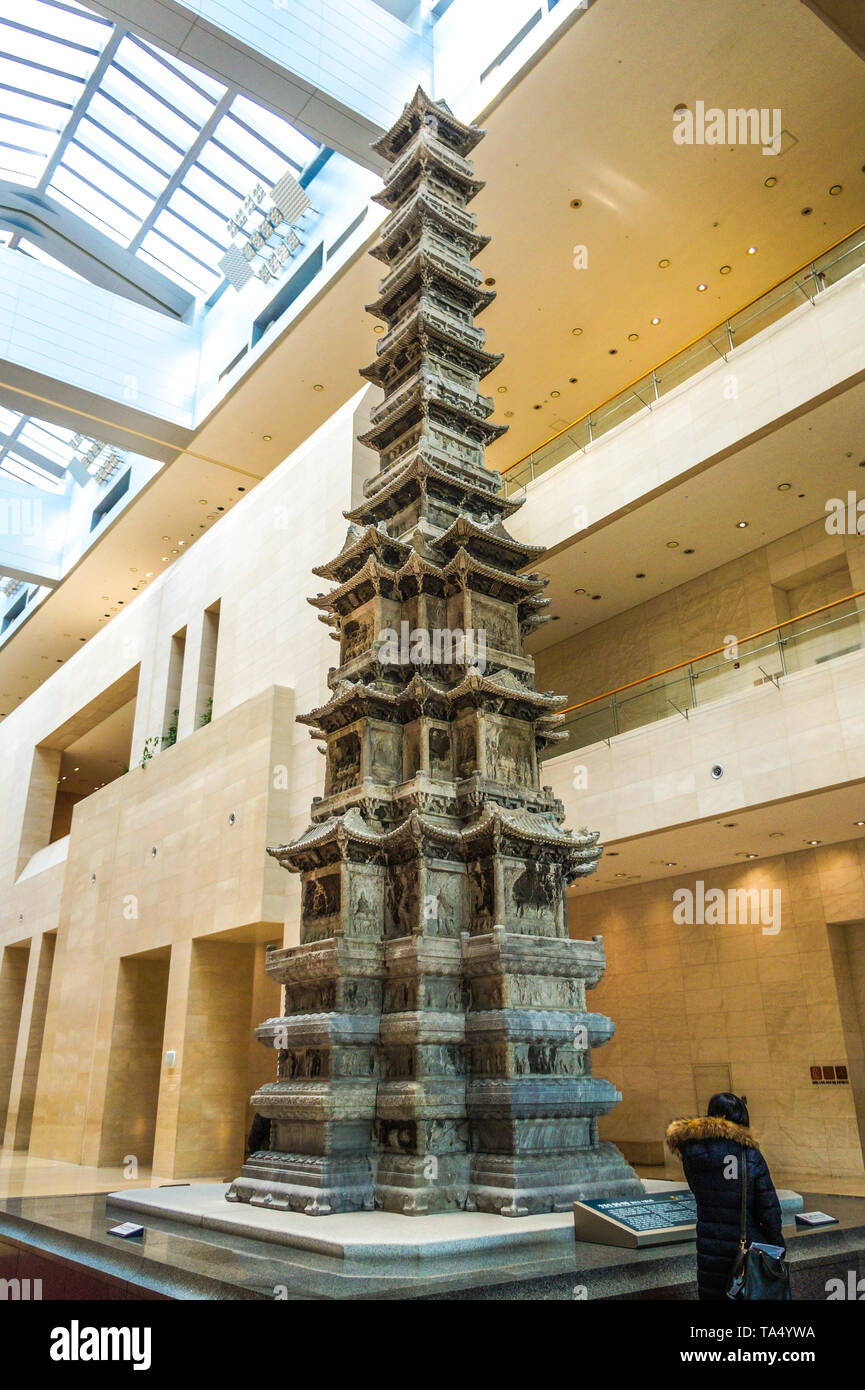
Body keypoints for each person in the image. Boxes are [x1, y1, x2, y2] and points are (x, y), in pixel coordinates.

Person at [666, 1092, 784, 1300]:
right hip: (745, 1246)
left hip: (709, 1245)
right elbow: (768, 1206)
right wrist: (777, 1243)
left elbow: (697, 1189)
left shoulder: (692, 1152)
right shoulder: (748, 1153)